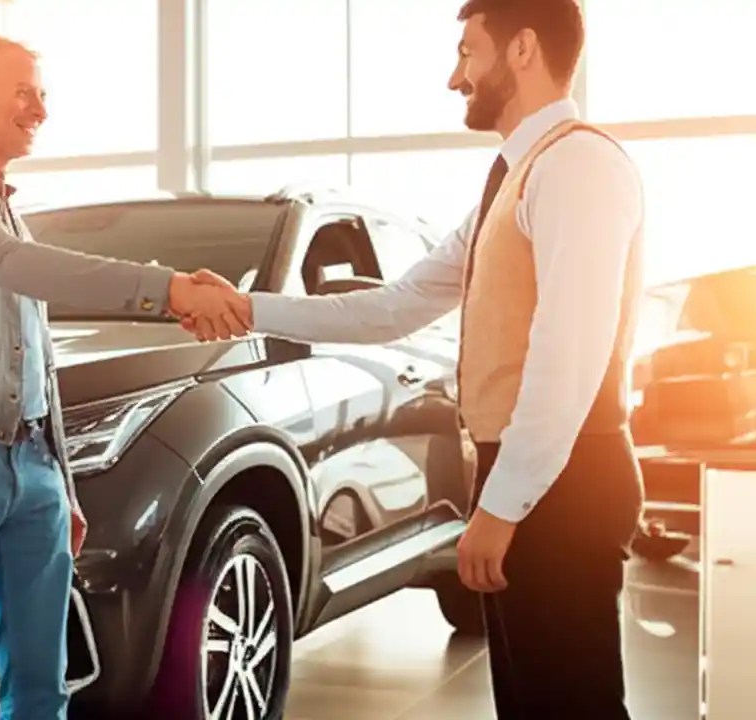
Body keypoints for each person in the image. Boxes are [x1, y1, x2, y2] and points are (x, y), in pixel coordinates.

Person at [186, 1, 645, 717]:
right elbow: (391, 307)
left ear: (523, 49)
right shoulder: (515, 177)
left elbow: (569, 355)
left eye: (468, 52)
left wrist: (502, 504)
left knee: (573, 704)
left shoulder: (578, 165)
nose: (456, 77)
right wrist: (248, 308)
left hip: (568, 480)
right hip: (534, 473)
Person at [0, 34, 243, 720]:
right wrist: (168, 289)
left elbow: (38, 356)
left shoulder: (9, 209)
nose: (40, 110)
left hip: (33, 468)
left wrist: (62, 483)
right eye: (23, 92)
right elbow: (14, 265)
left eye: (43, 94)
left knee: (43, 686)